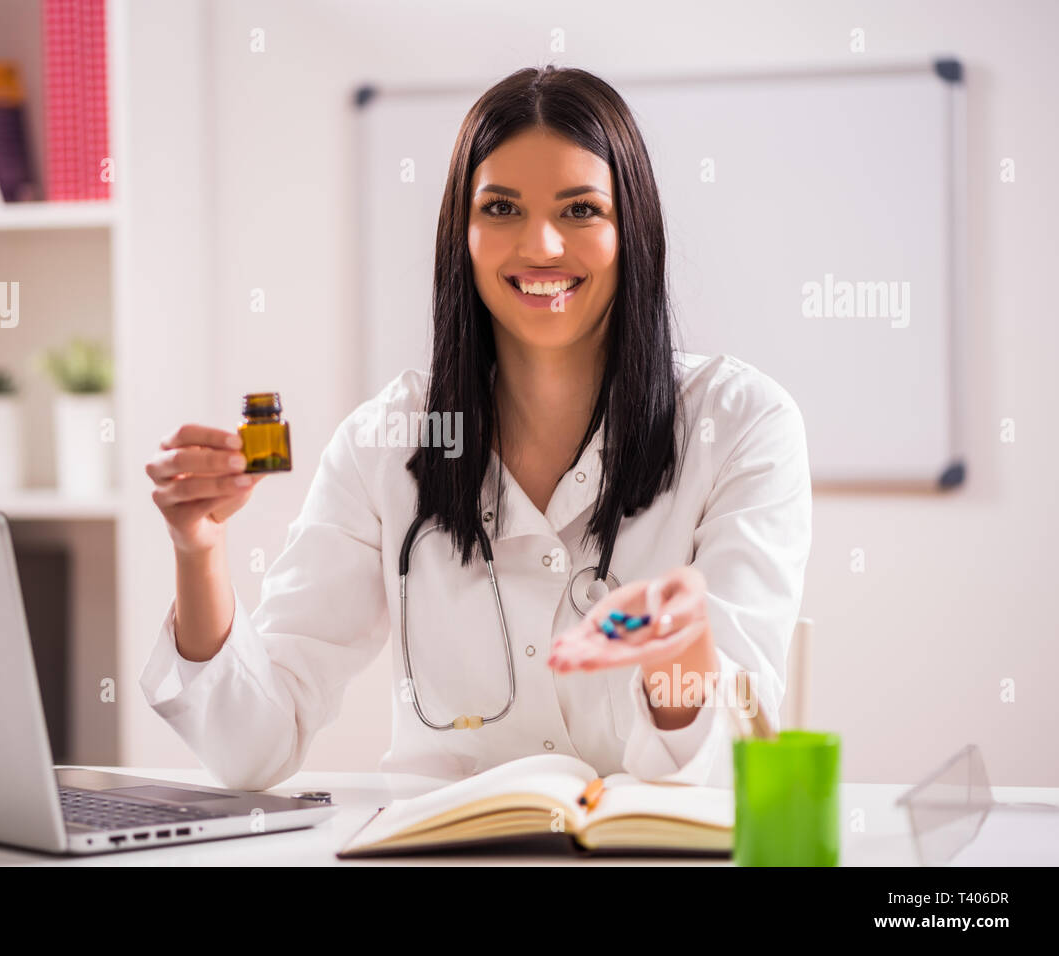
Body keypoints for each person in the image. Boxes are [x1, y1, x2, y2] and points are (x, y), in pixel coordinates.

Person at [141, 65, 811, 792]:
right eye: (502, 209)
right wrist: (197, 549)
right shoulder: (388, 442)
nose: (543, 246)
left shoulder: (742, 425)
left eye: (581, 210)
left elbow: (737, 756)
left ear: (633, 229)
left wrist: (677, 660)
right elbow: (250, 750)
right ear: (461, 234)